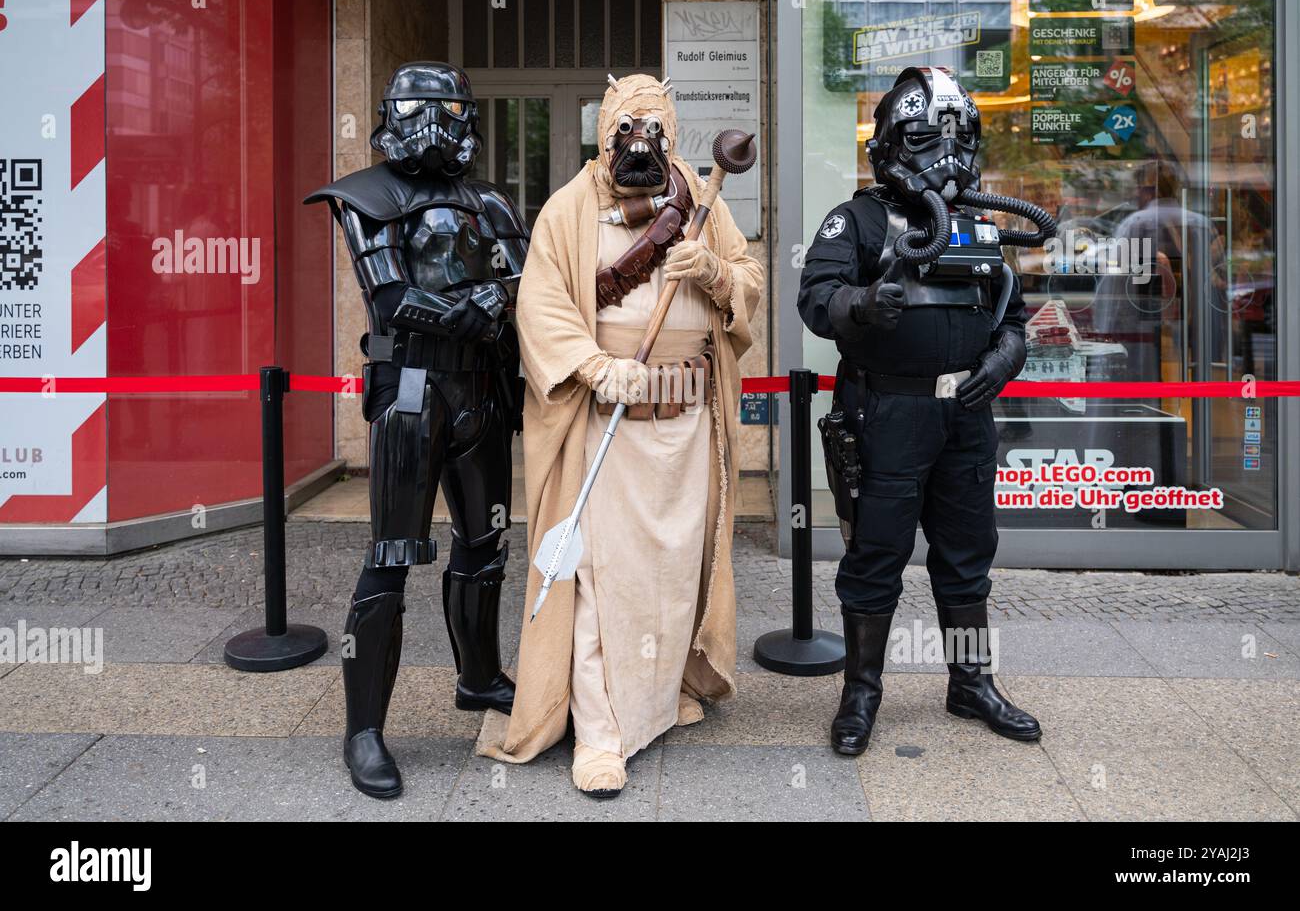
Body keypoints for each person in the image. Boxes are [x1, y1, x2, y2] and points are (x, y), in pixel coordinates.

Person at [476, 74, 763, 798]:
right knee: (603, 581)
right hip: (608, 426)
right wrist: (595, 366)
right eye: (626, 129)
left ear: (671, 133)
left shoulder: (703, 200)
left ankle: (660, 701)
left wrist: (718, 274)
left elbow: (751, 283)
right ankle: (602, 731)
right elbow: (538, 305)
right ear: (603, 135)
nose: (640, 140)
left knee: (675, 574)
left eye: (653, 129)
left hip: (688, 427)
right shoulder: (569, 211)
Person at [798, 66, 1054, 756]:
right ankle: (861, 692)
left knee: (968, 555)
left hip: (966, 415)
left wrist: (1005, 358)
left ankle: (970, 682)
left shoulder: (978, 224)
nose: (947, 153)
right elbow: (815, 296)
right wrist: (860, 303)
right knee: (876, 555)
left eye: (958, 136)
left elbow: (1011, 316)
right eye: (927, 138)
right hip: (888, 413)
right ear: (889, 142)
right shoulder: (856, 219)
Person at [306, 62, 528, 798]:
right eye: (418, 108)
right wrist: (470, 307)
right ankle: (363, 729)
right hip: (410, 389)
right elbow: (390, 292)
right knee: (392, 558)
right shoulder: (368, 197)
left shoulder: (489, 201)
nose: (433, 123)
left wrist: (493, 302)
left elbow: (526, 280)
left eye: (447, 109)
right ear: (391, 114)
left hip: (482, 388)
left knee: (485, 544)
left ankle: (478, 676)